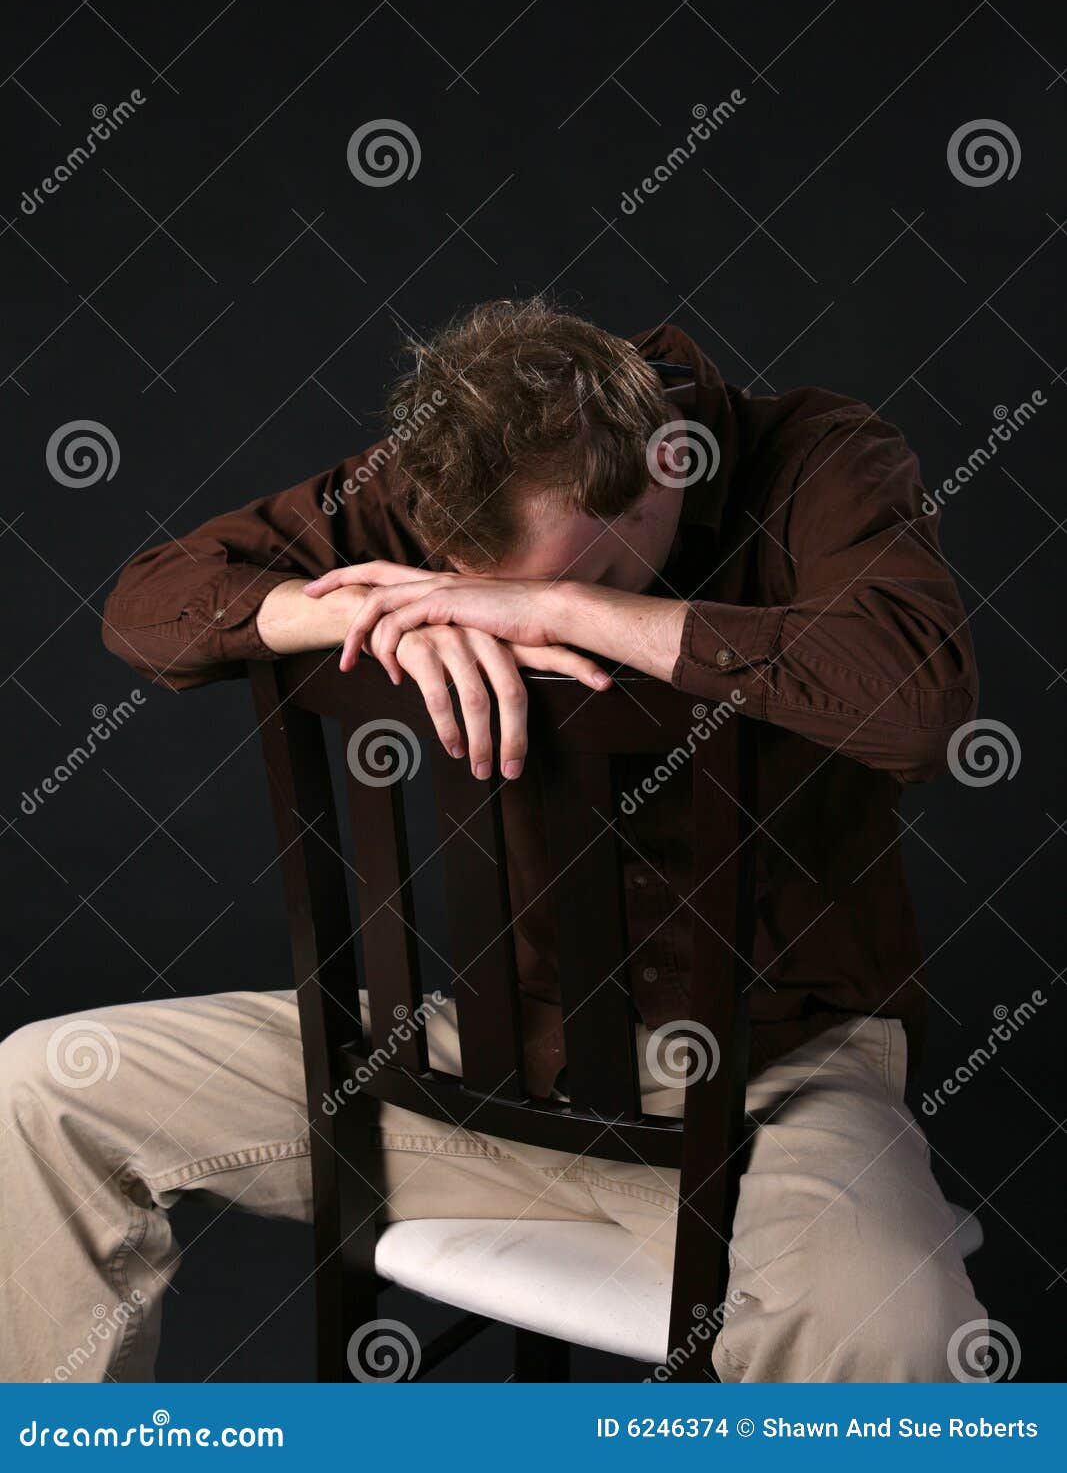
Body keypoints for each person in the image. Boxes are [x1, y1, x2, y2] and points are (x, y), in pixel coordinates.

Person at [0, 299, 986, 1382]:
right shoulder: (434, 473)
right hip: (477, 1070)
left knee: (894, 1335)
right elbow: (149, 602)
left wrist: (565, 615)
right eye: (482, 591)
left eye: (582, 574)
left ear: (666, 466)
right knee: (40, 1090)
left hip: (771, 1090)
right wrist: (353, 609)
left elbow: (909, 700)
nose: (514, 613)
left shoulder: (823, 456)